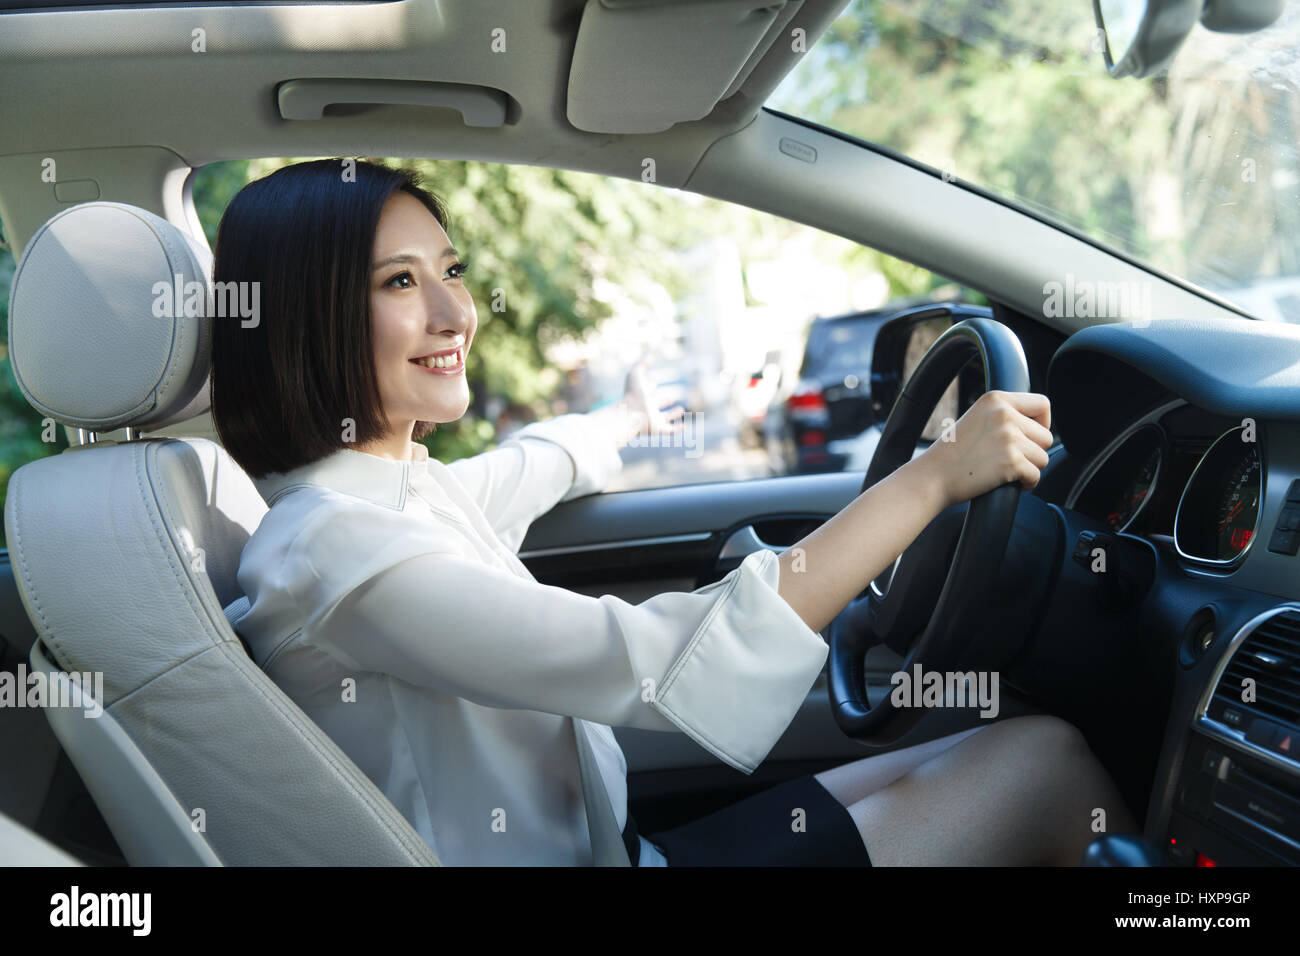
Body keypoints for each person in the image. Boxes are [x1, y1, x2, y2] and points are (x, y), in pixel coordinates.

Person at [210, 158, 1137, 866]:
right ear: (308, 317)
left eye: (450, 270)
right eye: (401, 282)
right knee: (1050, 775)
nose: (457, 311)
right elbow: (656, 663)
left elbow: (531, 469)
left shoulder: (395, 492)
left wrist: (623, 422)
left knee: (1036, 742)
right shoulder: (337, 547)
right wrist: (933, 478)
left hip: (623, 847)